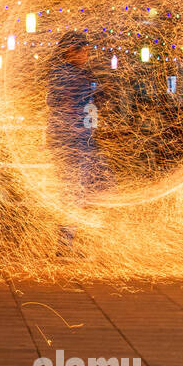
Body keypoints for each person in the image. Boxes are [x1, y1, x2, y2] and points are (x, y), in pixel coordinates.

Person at [45, 31, 114, 256]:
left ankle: (71, 239)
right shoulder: (66, 75)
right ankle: (66, 244)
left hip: (78, 139)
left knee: (87, 187)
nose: (86, 54)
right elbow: (62, 103)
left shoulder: (74, 74)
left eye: (87, 50)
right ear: (69, 51)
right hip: (71, 140)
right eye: (82, 50)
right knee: (74, 190)